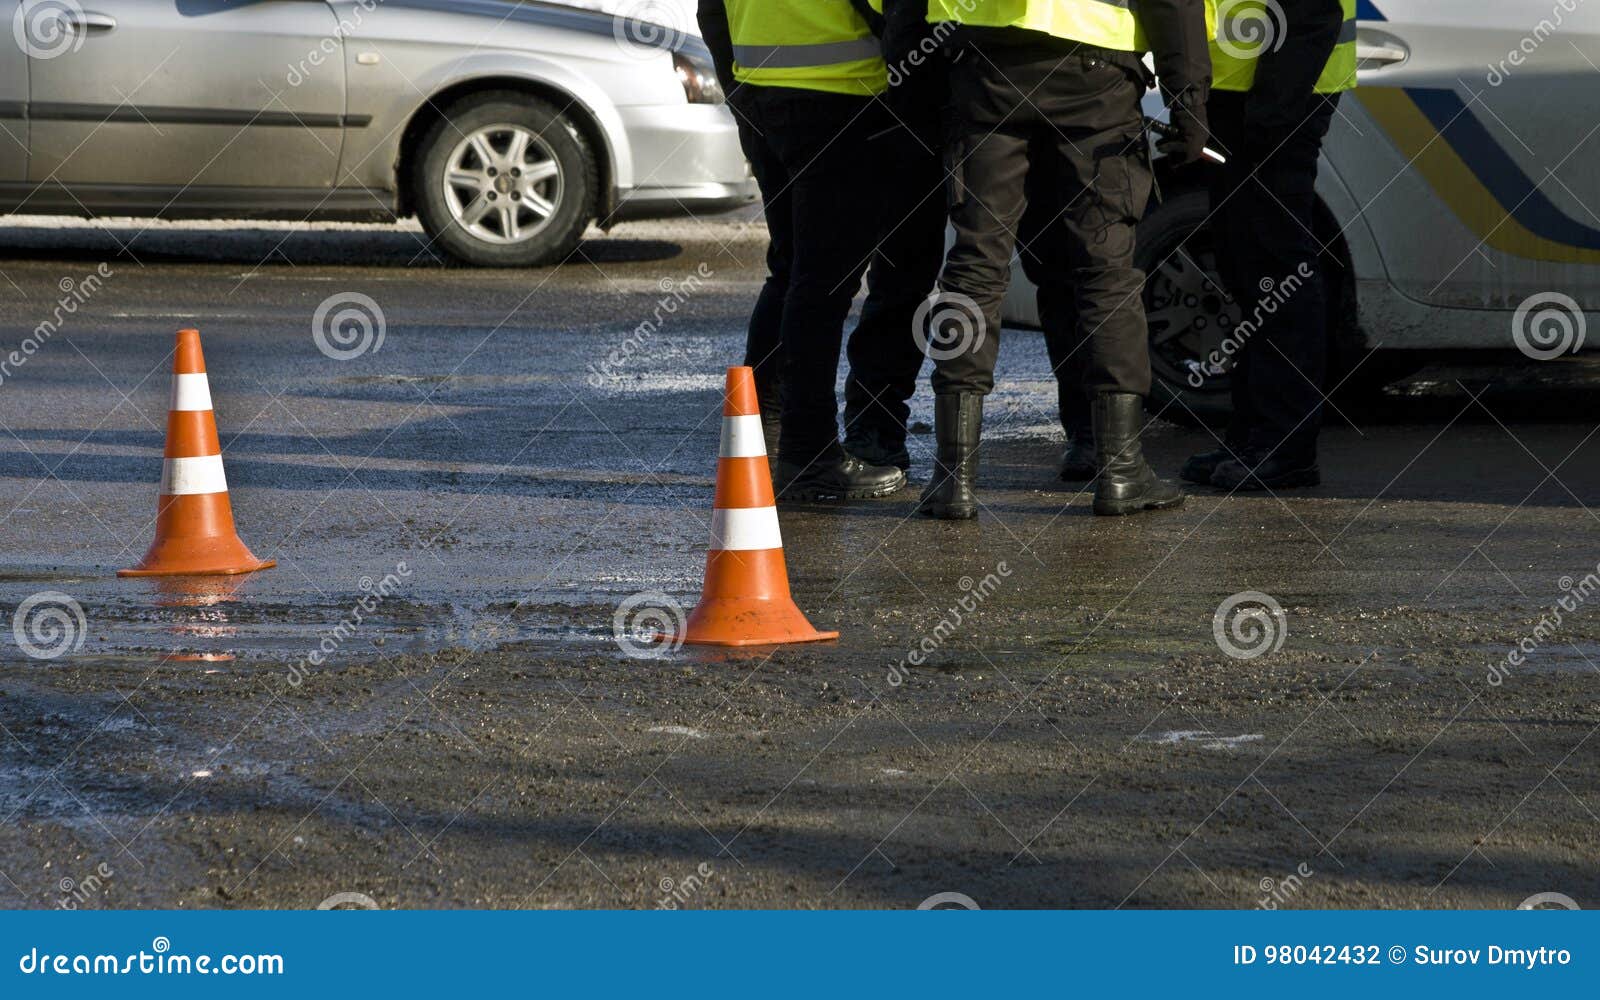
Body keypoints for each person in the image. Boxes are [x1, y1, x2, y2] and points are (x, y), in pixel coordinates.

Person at [917, 0, 1213, 519]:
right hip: (1094, 79)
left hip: (988, 68)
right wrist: (1188, 103)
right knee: (1107, 274)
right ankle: (1120, 473)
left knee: (975, 267)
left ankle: (952, 480)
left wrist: (917, 83)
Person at [695, 0, 906, 501]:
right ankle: (809, 454)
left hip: (766, 97)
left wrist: (742, 93)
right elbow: (896, 14)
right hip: (842, 98)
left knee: (792, 270)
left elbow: (711, 13)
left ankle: (761, 438)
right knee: (821, 283)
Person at [1181, 0, 1357, 491]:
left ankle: (1286, 445)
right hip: (1245, 88)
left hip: (1280, 87)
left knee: (1276, 267)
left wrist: (1271, 112)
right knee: (1245, 264)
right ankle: (1256, 435)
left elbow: (1314, 11)